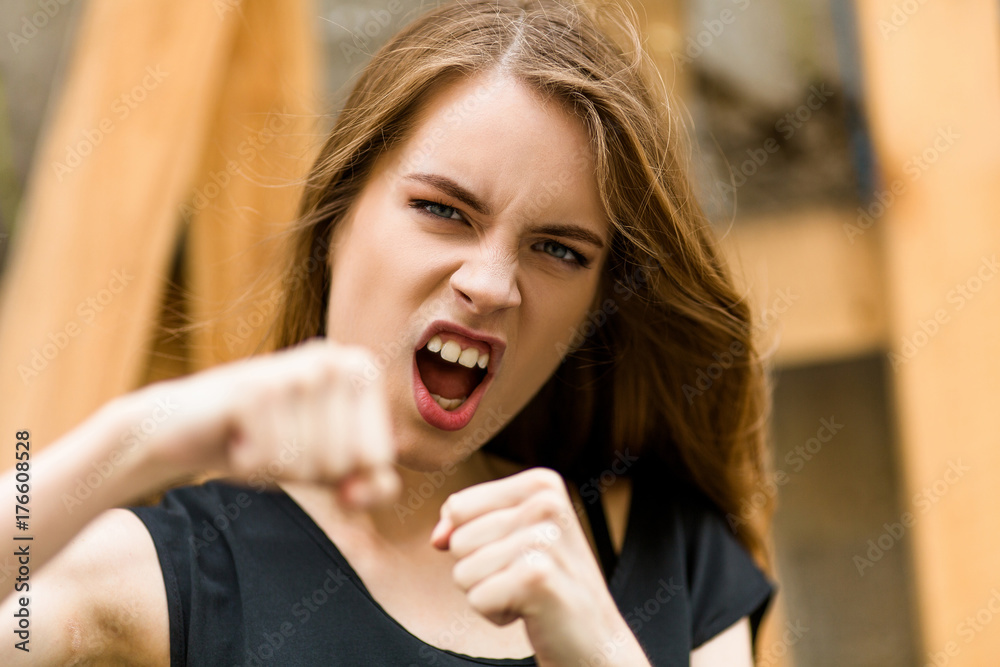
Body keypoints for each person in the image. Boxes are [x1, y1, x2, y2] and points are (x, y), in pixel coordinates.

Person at [0, 0, 775, 664]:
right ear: (338, 220)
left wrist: (600, 648)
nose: (490, 284)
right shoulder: (184, 575)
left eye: (558, 250)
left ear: (592, 312)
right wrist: (140, 434)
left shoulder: (665, 553)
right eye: (443, 210)